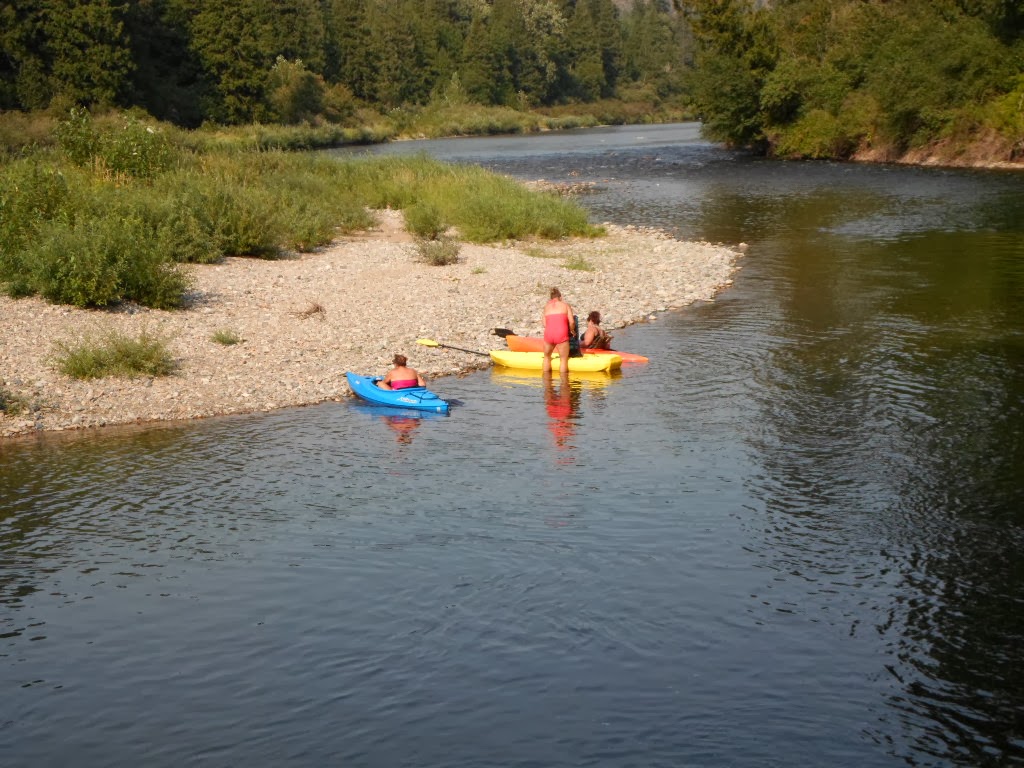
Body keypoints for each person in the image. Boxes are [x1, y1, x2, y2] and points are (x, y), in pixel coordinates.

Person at [542, 287, 576, 375]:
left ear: (551, 298)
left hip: (549, 333)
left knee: (547, 357)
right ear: (560, 297)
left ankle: (547, 386)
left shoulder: (546, 307)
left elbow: (544, 324)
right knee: (563, 360)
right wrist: (572, 330)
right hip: (561, 333)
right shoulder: (565, 305)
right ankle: (564, 385)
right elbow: (572, 322)